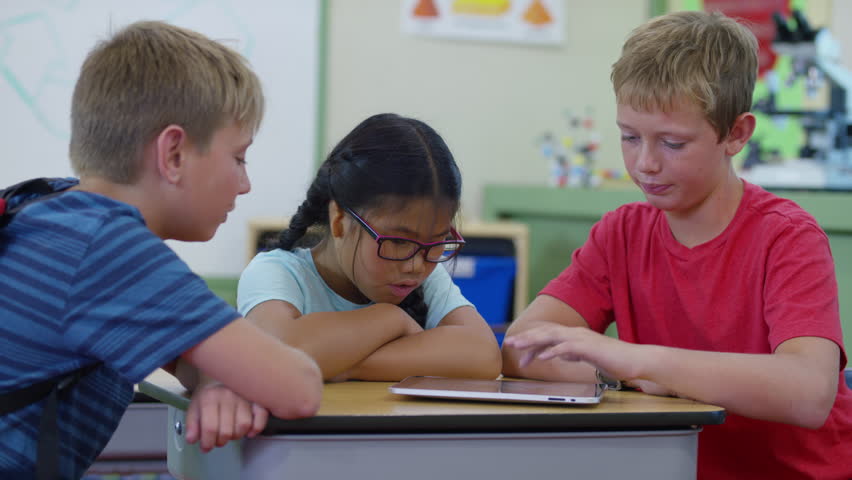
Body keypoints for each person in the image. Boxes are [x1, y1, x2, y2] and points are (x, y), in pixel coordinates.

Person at [501, 10, 852, 479]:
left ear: (736, 134)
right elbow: (521, 348)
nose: (645, 163)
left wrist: (636, 358)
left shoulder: (787, 237)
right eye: (629, 137)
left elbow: (809, 393)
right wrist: (627, 375)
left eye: (672, 143)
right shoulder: (620, 233)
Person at [0, 21, 323, 479]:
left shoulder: (50, 205)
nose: (245, 184)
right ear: (173, 153)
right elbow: (300, 388)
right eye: (238, 157)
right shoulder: (106, 248)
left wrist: (217, 378)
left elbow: (184, 352)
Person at [234, 113, 502, 382]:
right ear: (339, 220)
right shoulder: (277, 273)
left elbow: (485, 354)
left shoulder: (425, 276)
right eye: (398, 241)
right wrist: (389, 318)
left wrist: (343, 365)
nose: (417, 265)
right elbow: (275, 357)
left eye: (436, 242)